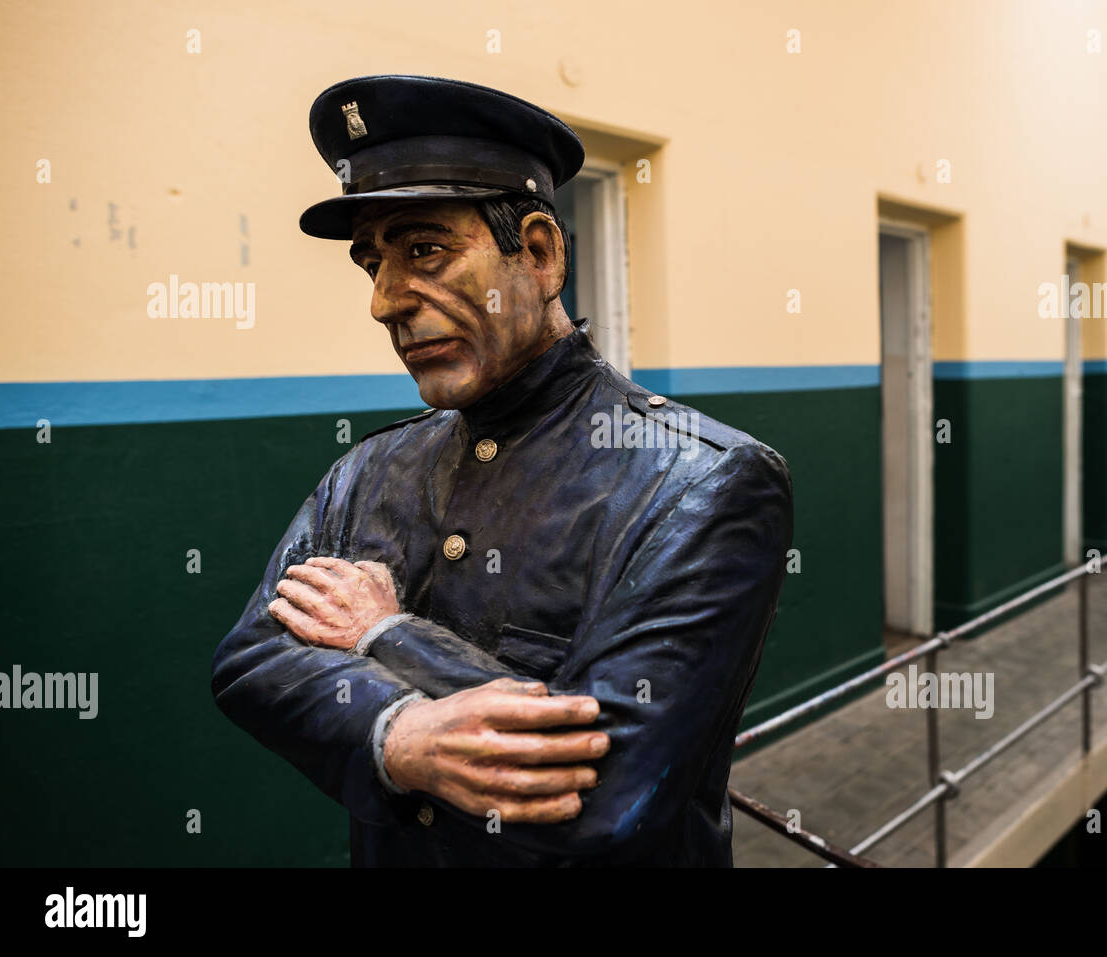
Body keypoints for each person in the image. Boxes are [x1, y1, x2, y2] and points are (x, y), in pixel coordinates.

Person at [210, 74, 793, 866]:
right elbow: (251, 663)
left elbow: (602, 798)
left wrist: (385, 635)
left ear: (543, 254)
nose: (385, 301)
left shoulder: (702, 481)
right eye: (371, 262)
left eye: (425, 249)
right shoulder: (369, 469)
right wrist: (396, 736)